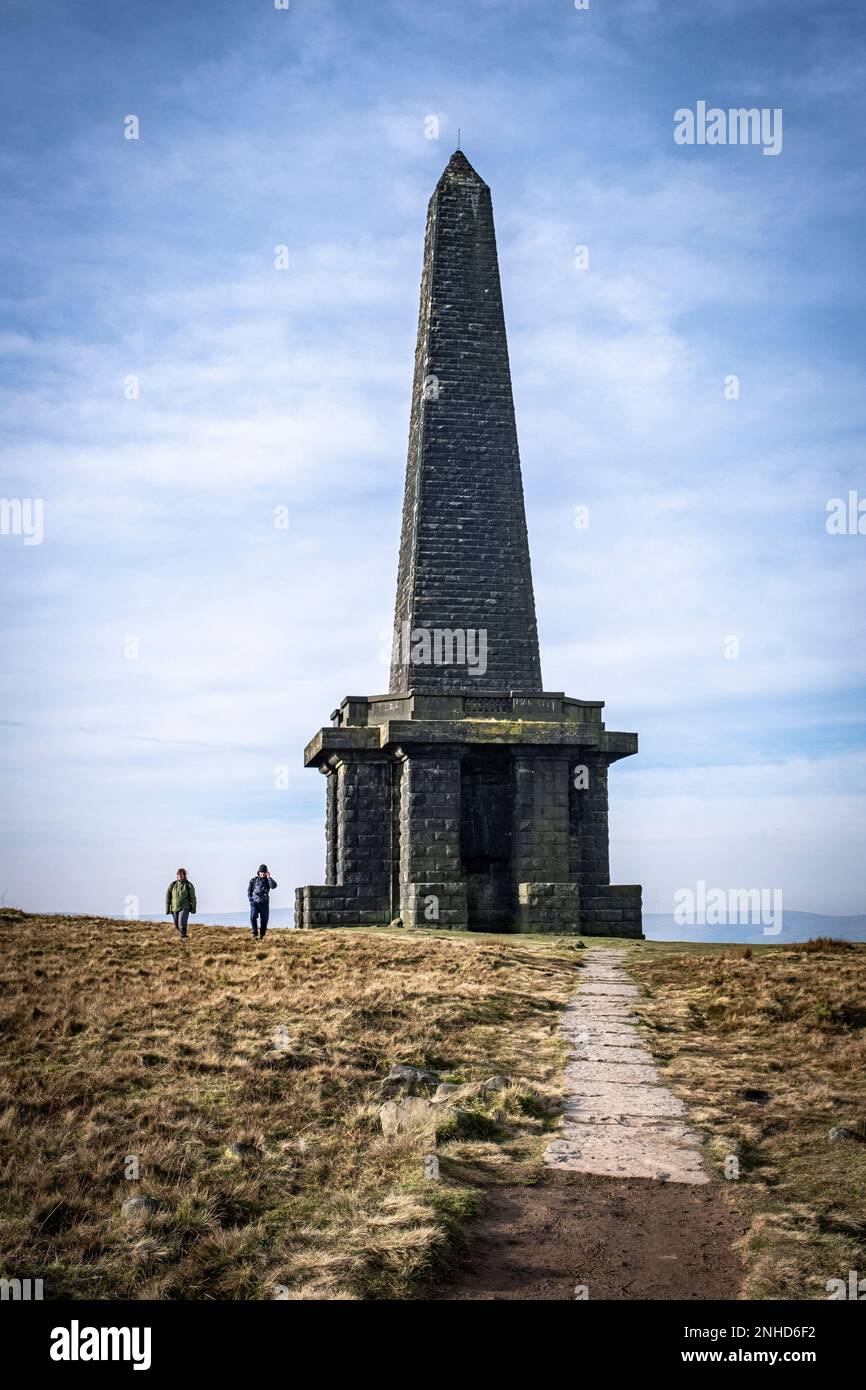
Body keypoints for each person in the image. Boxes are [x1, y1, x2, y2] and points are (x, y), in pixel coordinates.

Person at [165, 868, 196, 939]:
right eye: (178, 874)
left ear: (184, 875)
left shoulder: (188, 885)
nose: (179, 876)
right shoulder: (173, 885)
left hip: (185, 907)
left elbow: (193, 898)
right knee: (177, 925)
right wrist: (167, 908)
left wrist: (193, 908)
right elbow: (168, 897)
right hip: (174, 908)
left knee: (181, 923)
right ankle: (184, 936)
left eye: (181, 874)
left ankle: (183, 937)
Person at [248, 864, 277, 939]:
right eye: (261, 872)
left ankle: (262, 935)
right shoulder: (254, 880)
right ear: (259, 872)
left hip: (264, 903)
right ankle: (255, 933)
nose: (262, 873)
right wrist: (250, 899)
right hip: (255, 902)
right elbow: (249, 890)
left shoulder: (268, 880)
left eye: (264, 872)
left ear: (266, 872)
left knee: (264, 920)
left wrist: (269, 877)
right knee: (252, 917)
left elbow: (273, 886)